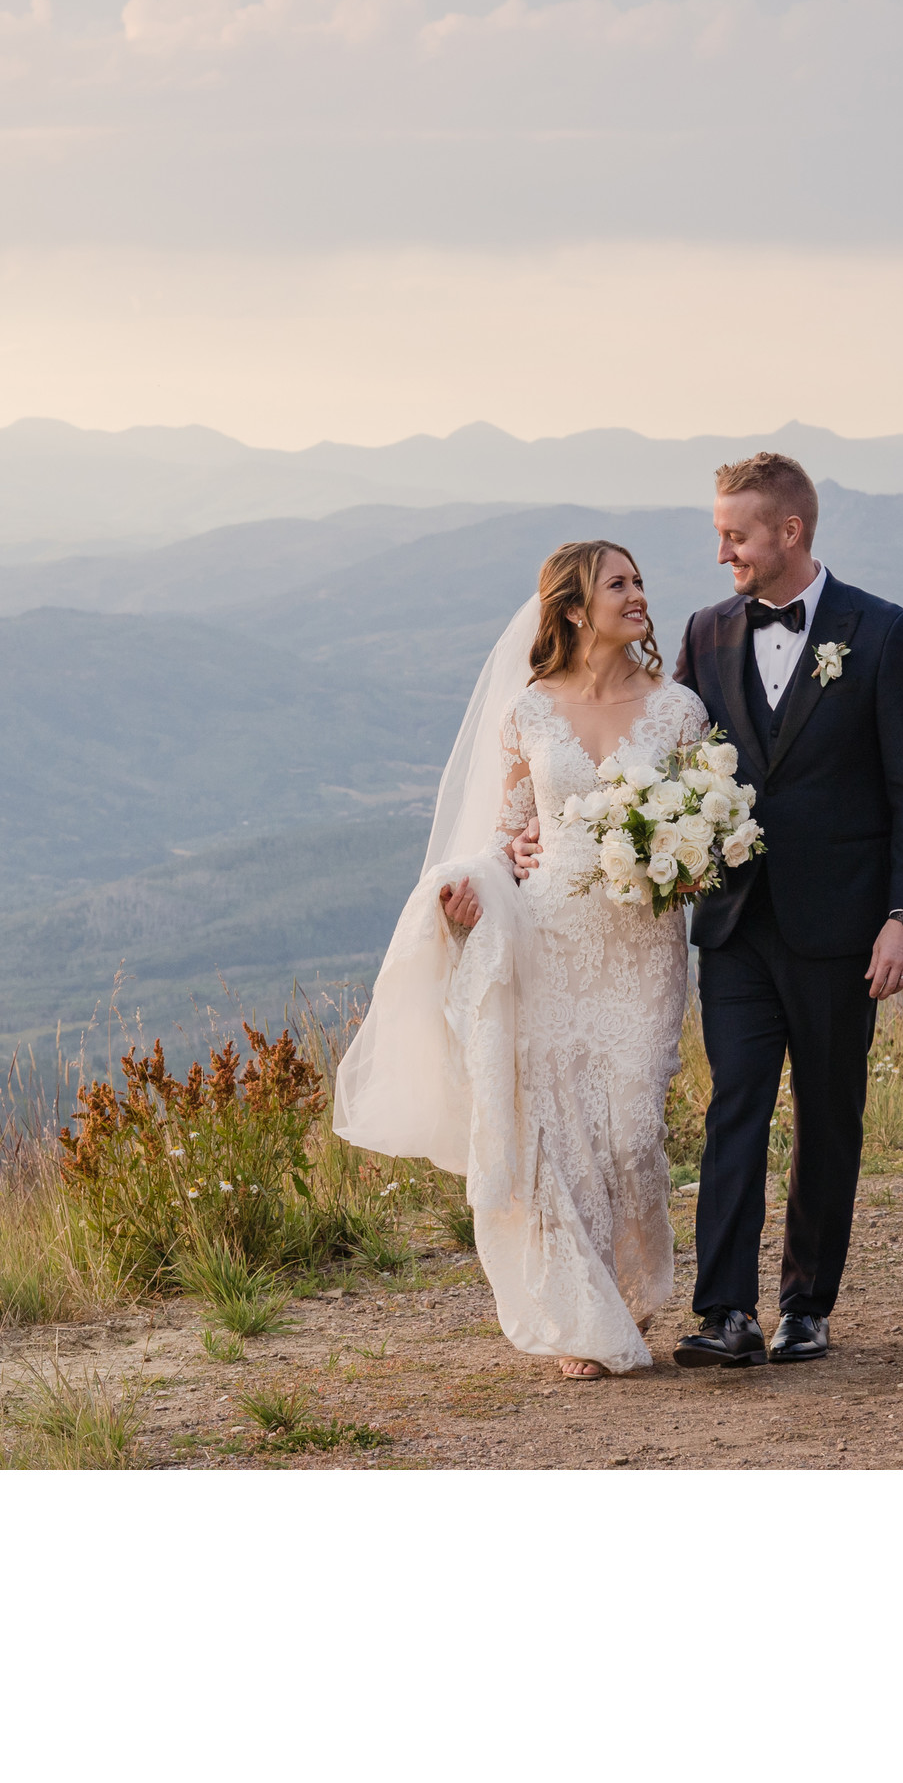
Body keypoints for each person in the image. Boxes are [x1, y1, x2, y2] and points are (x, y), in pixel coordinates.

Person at [335, 539, 708, 1378]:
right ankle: (584, 1318)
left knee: (632, 1127)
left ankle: (632, 1290)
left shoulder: (681, 711)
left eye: (641, 581)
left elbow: (702, 825)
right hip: (550, 937)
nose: (640, 595)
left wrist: (690, 855)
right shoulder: (530, 712)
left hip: (642, 947)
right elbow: (506, 837)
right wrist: (475, 891)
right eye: (620, 584)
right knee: (559, 1128)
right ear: (575, 608)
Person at [655, 451, 903, 1367]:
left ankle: (807, 1305)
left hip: (841, 929)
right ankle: (726, 1313)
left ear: (790, 533)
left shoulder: (883, 632)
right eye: (717, 536)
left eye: (734, 537)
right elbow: (675, 769)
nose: (721, 554)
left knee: (828, 1114)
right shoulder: (704, 633)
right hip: (736, 924)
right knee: (733, 1106)